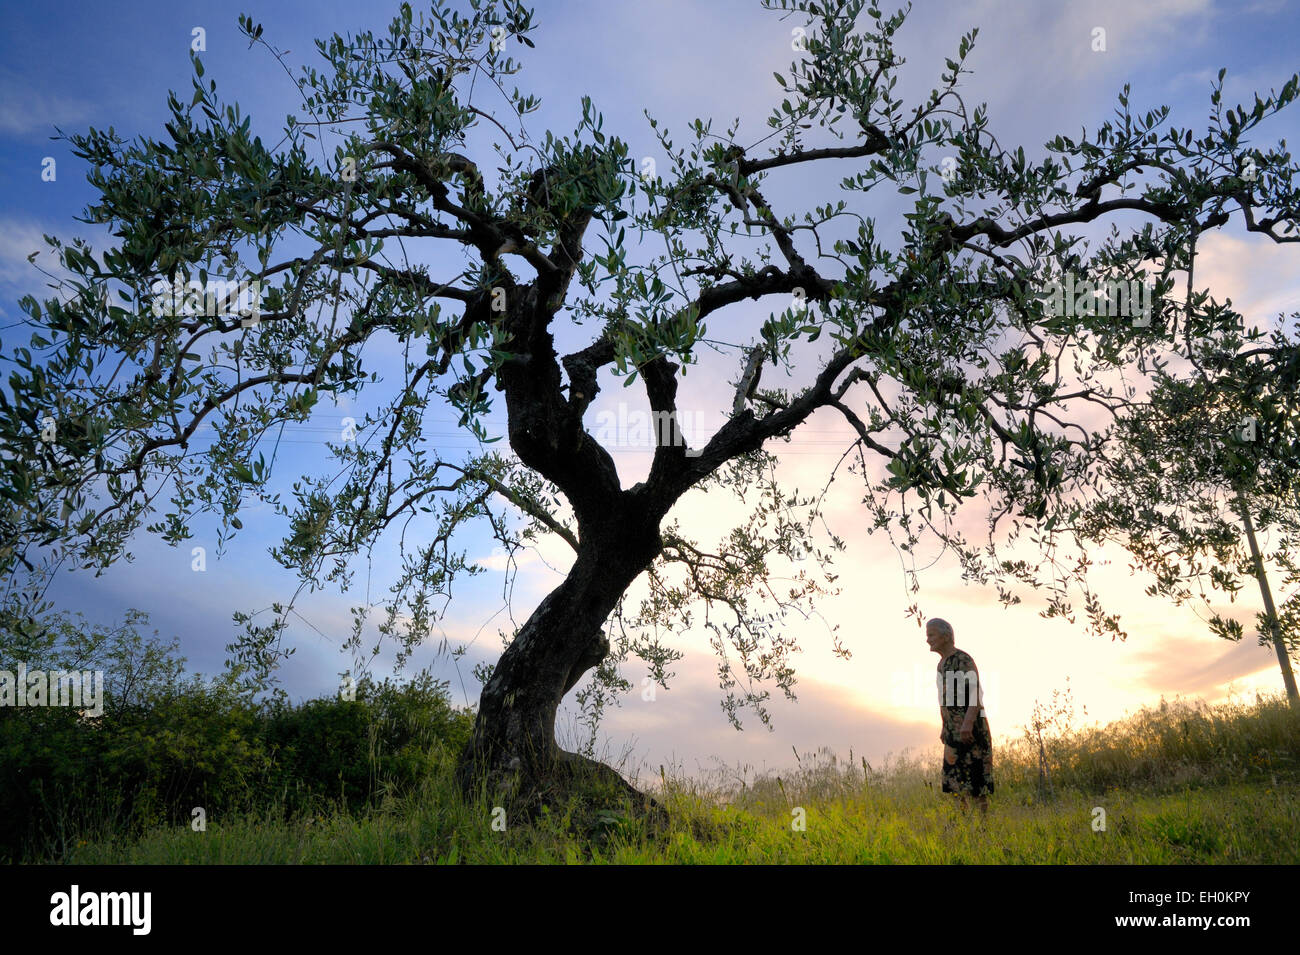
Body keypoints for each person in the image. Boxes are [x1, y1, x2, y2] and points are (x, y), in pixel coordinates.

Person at [925, 617, 993, 814]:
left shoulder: (962, 660)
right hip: (953, 732)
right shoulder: (941, 665)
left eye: (931, 635)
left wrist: (967, 724)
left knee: (977, 782)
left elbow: (976, 694)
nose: (928, 640)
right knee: (955, 783)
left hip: (971, 730)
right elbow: (944, 699)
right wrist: (944, 726)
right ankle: (962, 828)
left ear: (946, 636)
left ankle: (983, 828)